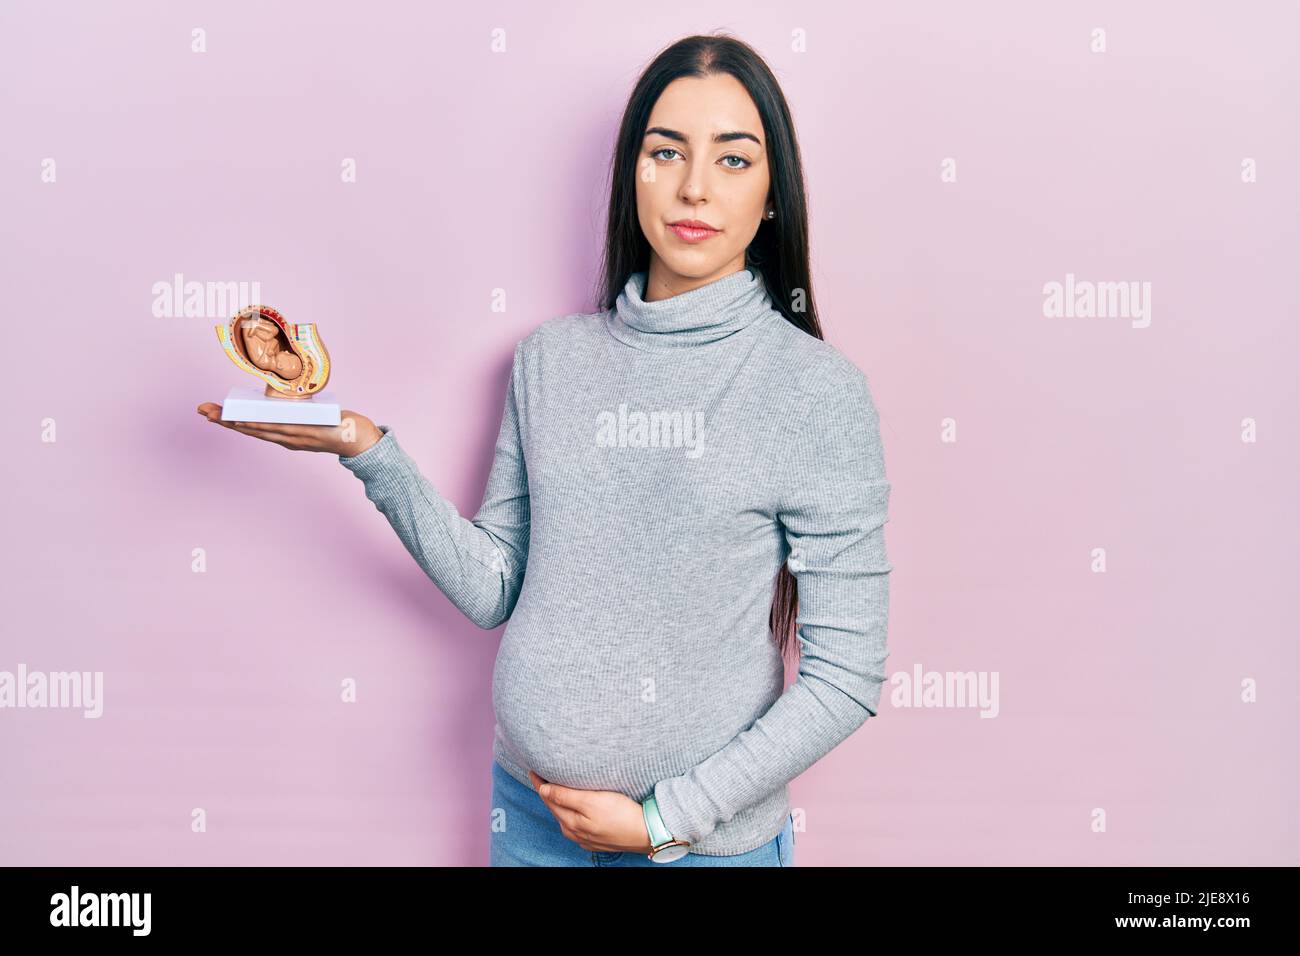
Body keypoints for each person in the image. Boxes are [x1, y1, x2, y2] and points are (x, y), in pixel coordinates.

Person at [197, 32, 892, 867]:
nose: (694, 186)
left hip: (703, 852)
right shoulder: (552, 361)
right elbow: (498, 587)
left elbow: (847, 673)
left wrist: (668, 818)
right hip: (527, 823)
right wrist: (366, 449)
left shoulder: (814, 392)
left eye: (734, 160)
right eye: (665, 152)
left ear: (774, 191)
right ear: (631, 172)